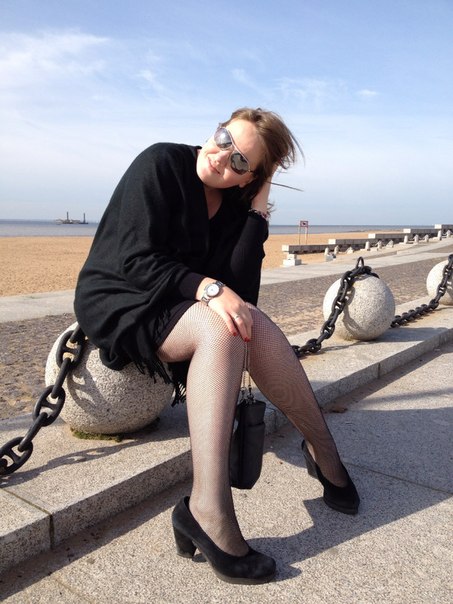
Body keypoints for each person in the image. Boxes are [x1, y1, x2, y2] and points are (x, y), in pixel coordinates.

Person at [74, 107, 359, 585]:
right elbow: (133, 259)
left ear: (253, 177)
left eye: (241, 161)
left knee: (250, 322)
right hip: (122, 296)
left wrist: (256, 209)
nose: (222, 156)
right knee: (222, 326)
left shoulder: (232, 201)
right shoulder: (162, 163)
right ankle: (208, 509)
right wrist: (207, 288)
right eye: (224, 138)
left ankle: (325, 455)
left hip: (183, 302)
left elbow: (243, 291)